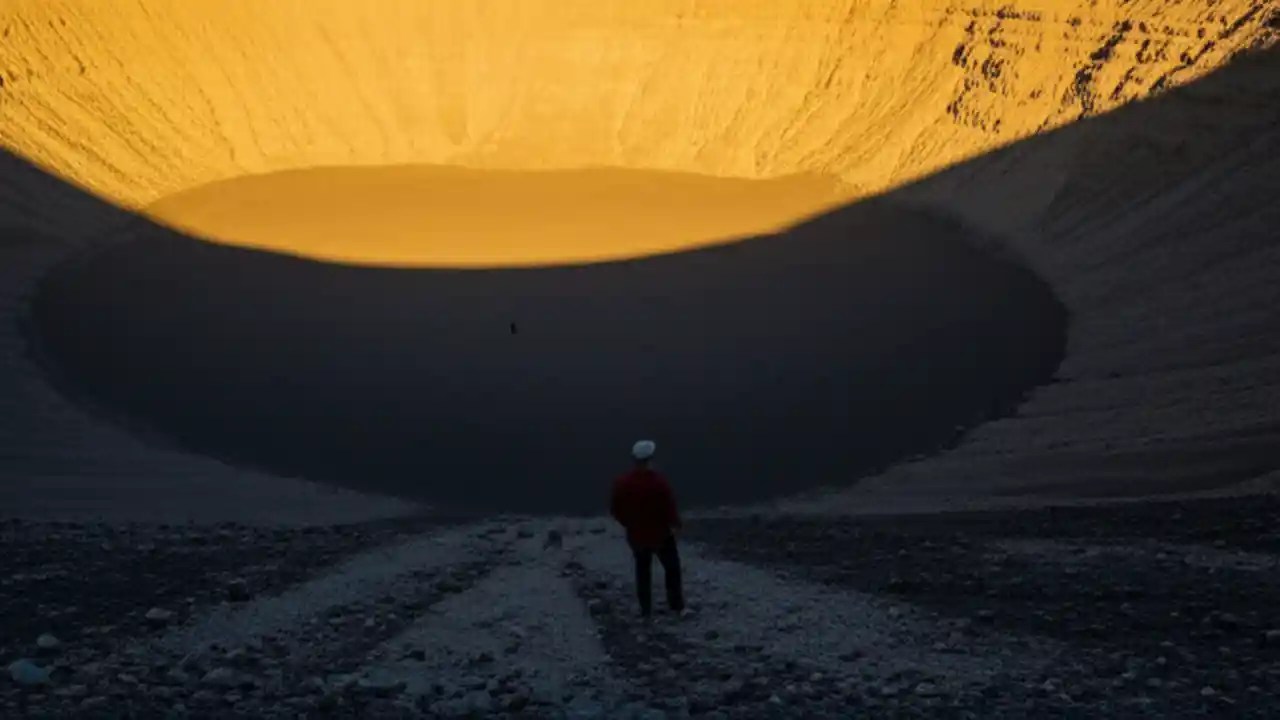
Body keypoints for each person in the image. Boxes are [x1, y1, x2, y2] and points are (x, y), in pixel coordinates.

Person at [610, 439, 686, 618]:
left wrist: (628, 523)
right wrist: (677, 524)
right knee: (672, 568)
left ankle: (645, 610)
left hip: (636, 534)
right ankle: (676, 606)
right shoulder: (659, 482)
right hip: (661, 534)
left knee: (642, 571)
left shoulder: (622, 483)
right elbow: (669, 507)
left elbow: (615, 509)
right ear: (650, 458)